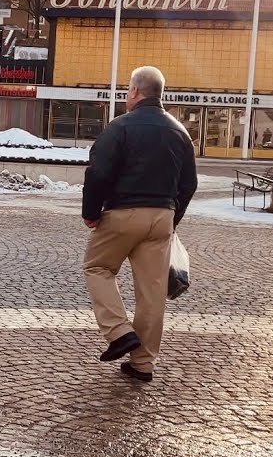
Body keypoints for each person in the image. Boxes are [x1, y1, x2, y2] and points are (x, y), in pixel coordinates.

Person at [81, 66, 197, 383]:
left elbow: (98, 173)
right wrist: (172, 219)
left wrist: (91, 211)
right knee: (152, 292)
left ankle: (119, 332)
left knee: (98, 268)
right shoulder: (180, 132)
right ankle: (143, 363)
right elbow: (189, 184)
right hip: (162, 217)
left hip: (122, 213)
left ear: (134, 91)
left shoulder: (120, 127)